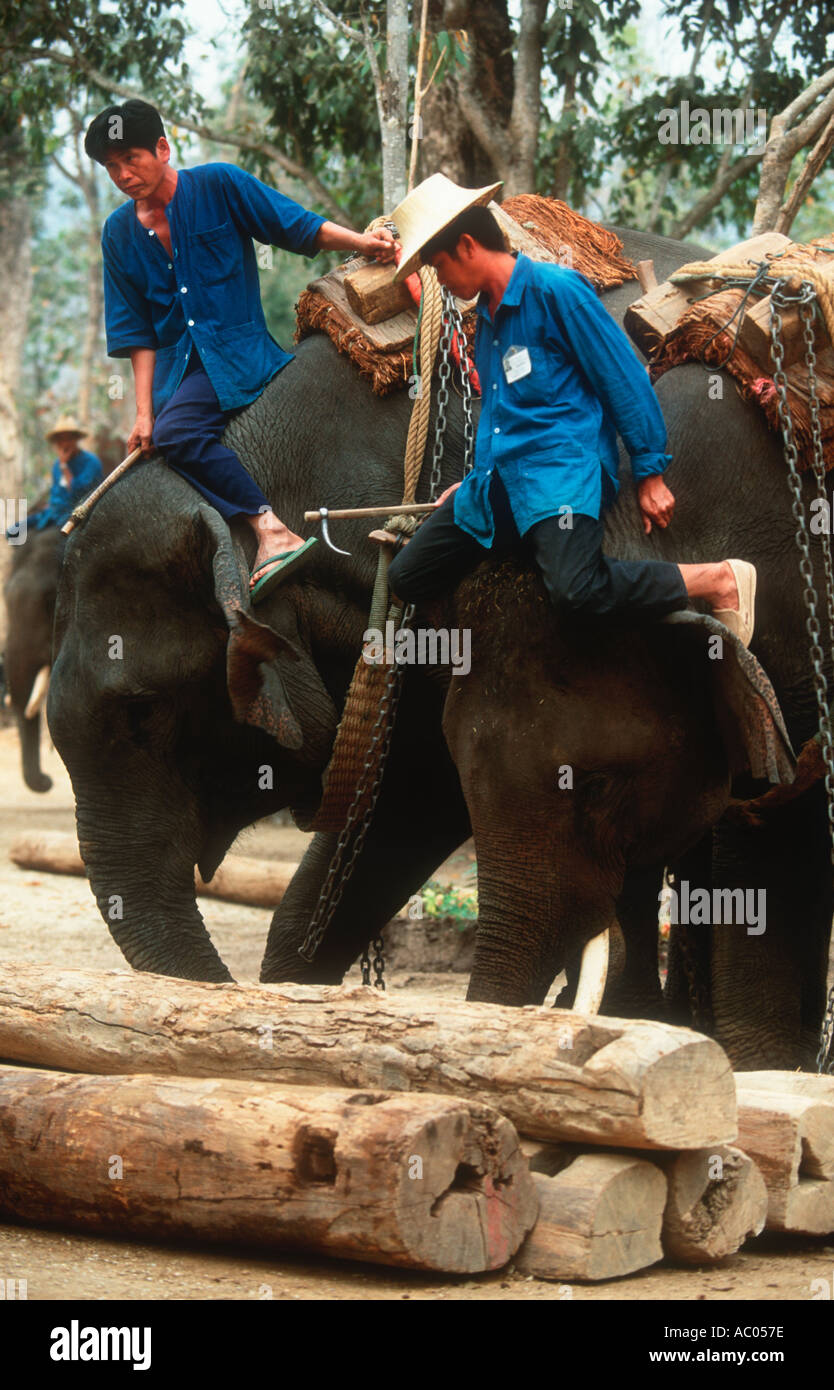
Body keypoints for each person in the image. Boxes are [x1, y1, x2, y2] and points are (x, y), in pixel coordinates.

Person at [387, 175, 756, 645]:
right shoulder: (483, 320)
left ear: (466, 246)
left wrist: (650, 470)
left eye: (438, 266)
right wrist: (477, 479)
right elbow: (503, 414)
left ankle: (715, 579)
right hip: (501, 481)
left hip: (560, 474)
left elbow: (621, 375)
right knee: (407, 577)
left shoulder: (556, 291)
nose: (440, 280)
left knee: (576, 593)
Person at [84, 99, 397, 602]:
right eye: (111, 166)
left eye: (132, 159)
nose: (123, 174)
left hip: (239, 353)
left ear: (163, 149)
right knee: (157, 445)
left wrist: (362, 242)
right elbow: (136, 331)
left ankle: (271, 528)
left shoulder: (220, 185)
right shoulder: (118, 234)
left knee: (180, 434)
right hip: (176, 375)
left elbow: (295, 226)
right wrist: (143, 412)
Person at [28, 416, 103, 532]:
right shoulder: (56, 465)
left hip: (75, 515)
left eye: (68, 438)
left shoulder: (91, 462)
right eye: (60, 439)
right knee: (13, 531)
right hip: (52, 513)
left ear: (76, 439)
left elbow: (79, 493)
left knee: (46, 545)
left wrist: (64, 466)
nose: (64, 443)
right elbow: (56, 492)